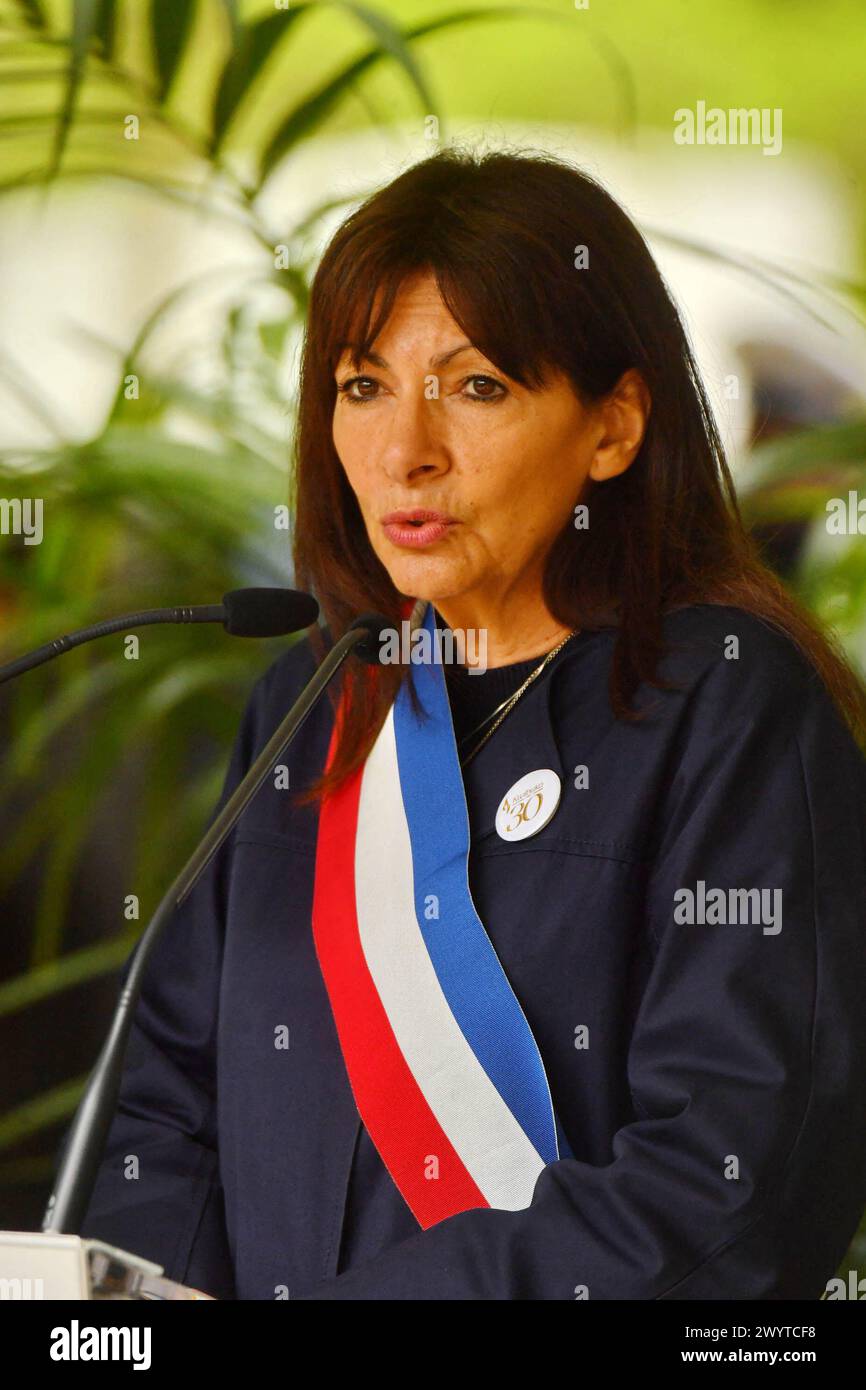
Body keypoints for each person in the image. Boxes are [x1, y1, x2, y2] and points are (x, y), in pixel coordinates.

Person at [75, 147, 866, 1300]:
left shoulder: (732, 707)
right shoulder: (312, 708)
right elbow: (166, 1105)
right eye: (361, 386)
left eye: (477, 385)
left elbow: (726, 1189)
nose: (406, 451)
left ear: (613, 427)